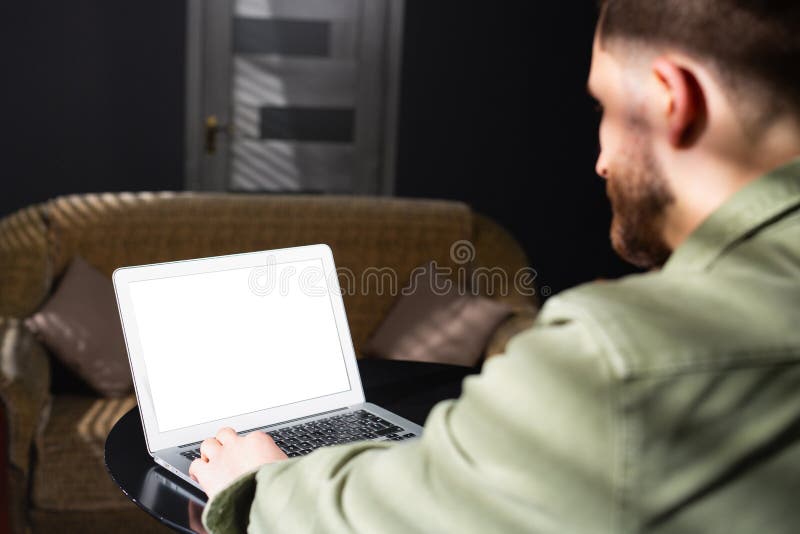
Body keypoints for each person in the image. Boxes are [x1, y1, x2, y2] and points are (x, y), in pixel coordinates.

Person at [190, 1, 800, 532]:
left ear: (672, 102)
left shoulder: (616, 359)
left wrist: (261, 482)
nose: (601, 160)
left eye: (602, 107)